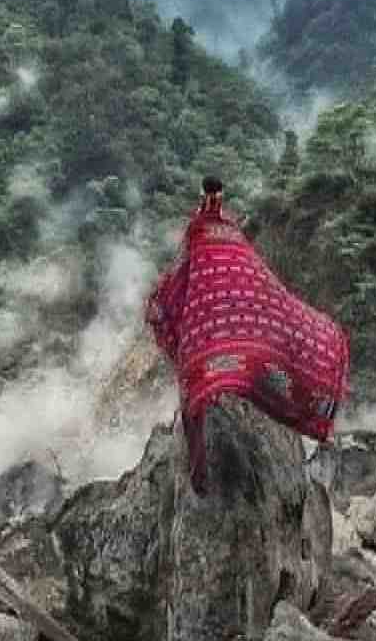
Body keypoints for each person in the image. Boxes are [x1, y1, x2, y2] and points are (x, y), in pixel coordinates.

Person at [146, 176, 350, 494]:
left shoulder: (198, 230)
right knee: (213, 378)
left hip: (206, 330)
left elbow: (183, 275)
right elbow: (251, 272)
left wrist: (164, 300)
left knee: (195, 385)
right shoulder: (230, 230)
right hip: (226, 326)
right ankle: (206, 460)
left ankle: (200, 473)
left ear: (202, 195)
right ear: (222, 196)